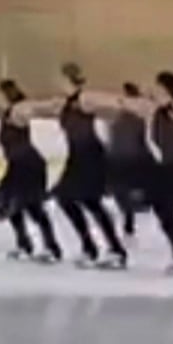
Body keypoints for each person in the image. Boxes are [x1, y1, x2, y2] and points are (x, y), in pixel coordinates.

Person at [83, 72, 173, 274]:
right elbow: (126, 104)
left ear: (166, 88)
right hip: (168, 168)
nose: (153, 90)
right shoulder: (153, 111)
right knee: (163, 209)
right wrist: (95, 98)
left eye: (157, 87)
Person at [48, 63, 127, 268]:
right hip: (77, 156)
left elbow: (112, 104)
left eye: (60, 78)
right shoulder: (66, 102)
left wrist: (122, 105)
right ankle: (93, 247)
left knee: (88, 201)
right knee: (69, 199)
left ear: (68, 79)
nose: (57, 82)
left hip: (90, 155)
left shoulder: (84, 98)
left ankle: (113, 249)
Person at [0, 79, 63, 263]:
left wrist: (54, 104)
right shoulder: (8, 112)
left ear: (5, 94)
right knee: (12, 207)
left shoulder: (18, 110)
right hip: (18, 165)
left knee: (32, 207)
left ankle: (51, 247)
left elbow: (34, 107)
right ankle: (24, 244)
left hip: (28, 165)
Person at [105, 83, 155, 243]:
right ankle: (129, 225)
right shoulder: (120, 119)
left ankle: (129, 225)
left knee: (125, 192)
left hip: (129, 158)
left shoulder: (134, 118)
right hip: (123, 158)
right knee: (124, 193)